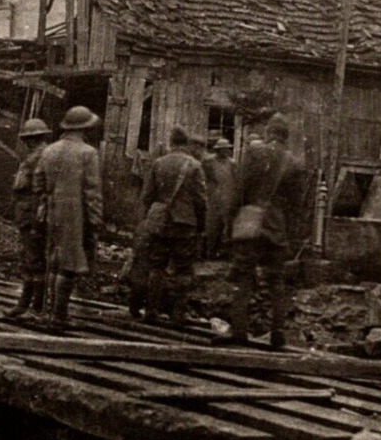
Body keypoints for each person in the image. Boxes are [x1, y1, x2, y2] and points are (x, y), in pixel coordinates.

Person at [220, 113, 305, 349]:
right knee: (276, 281)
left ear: (268, 133)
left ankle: (239, 332)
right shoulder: (295, 163)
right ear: (286, 137)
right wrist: (288, 231)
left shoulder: (254, 154)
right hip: (276, 227)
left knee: (243, 277)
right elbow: (297, 206)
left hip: (250, 223)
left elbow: (239, 191)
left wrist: (230, 219)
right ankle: (278, 334)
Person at [35, 106, 103, 331]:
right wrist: (95, 221)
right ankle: (59, 315)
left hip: (52, 210)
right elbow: (92, 192)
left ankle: (49, 311)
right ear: (84, 128)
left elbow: (38, 183)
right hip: (75, 213)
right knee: (69, 264)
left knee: (53, 260)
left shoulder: (49, 150)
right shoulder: (88, 153)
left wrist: (49, 199)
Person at [129, 126, 206, 325]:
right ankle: (178, 314)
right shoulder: (195, 166)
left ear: (171, 142)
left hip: (159, 222)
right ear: (186, 144)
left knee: (156, 267)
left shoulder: (158, 163)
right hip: (185, 223)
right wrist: (201, 225)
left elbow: (147, 196)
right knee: (183, 269)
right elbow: (200, 200)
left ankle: (151, 311)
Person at [5, 118, 53, 318]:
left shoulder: (39, 157)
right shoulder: (41, 155)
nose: (28, 142)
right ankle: (29, 305)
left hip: (33, 215)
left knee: (33, 260)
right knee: (32, 259)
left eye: (30, 139)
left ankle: (31, 306)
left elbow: (31, 188)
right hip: (30, 214)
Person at [203, 137, 237, 259]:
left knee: (228, 227)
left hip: (228, 198)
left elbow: (236, 181)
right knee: (212, 227)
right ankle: (210, 253)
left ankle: (226, 254)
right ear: (218, 150)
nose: (226, 151)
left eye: (227, 149)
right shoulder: (208, 162)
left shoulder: (232, 164)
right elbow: (205, 179)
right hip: (213, 199)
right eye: (223, 149)